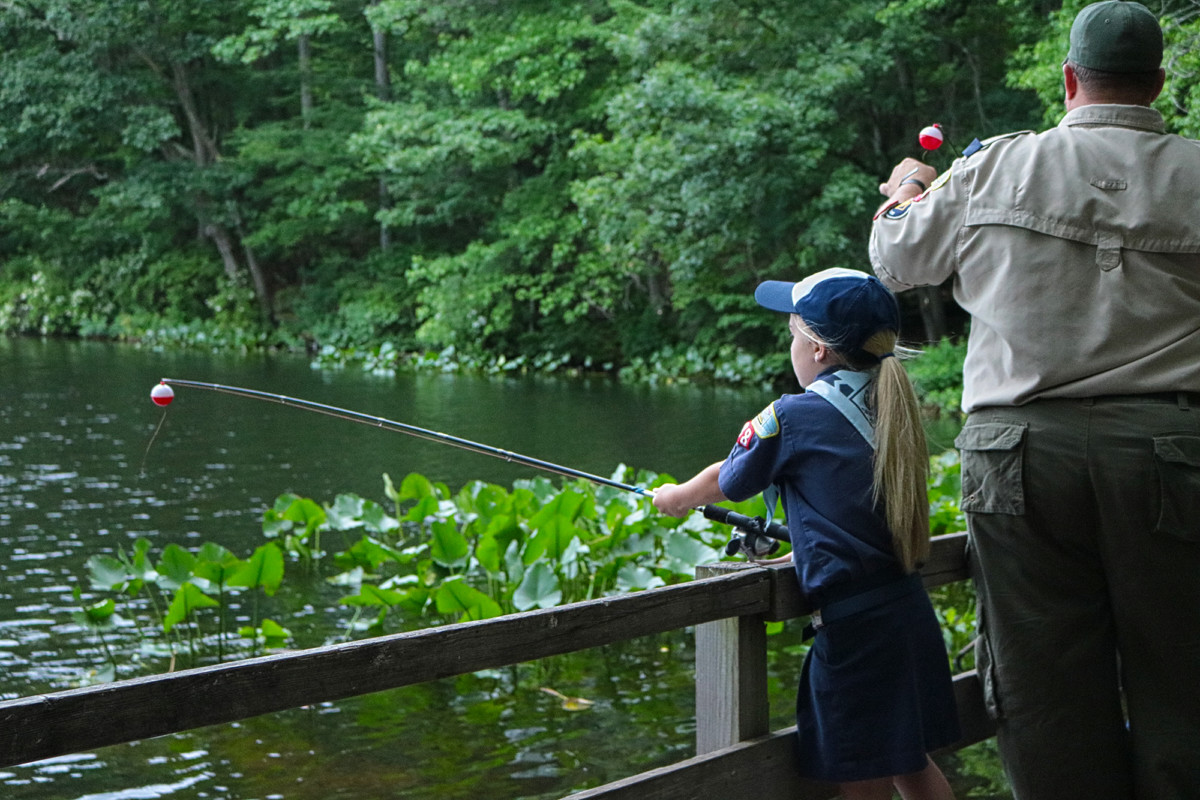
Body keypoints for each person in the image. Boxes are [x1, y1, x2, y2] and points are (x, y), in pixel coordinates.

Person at [869, 3, 1200, 798]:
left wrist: (906, 190)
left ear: (1068, 78)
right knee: (1183, 680)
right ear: (1160, 79)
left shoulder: (992, 167)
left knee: (1043, 689)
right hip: (1172, 452)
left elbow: (896, 259)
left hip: (1020, 456)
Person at [654, 268, 959, 800]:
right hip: (906, 613)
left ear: (818, 349)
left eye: (793, 334)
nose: (790, 345)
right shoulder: (889, 406)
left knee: (861, 779)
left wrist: (675, 497)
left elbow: (731, 479)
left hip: (856, 634)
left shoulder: (793, 416)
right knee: (910, 764)